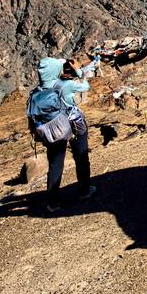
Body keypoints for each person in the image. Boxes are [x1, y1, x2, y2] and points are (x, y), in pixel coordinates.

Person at [36, 55, 97, 212]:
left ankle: (52, 202)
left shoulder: (37, 91)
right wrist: (79, 71)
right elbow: (86, 87)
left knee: (55, 165)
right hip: (73, 126)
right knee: (81, 157)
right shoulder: (65, 85)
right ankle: (84, 190)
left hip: (53, 131)